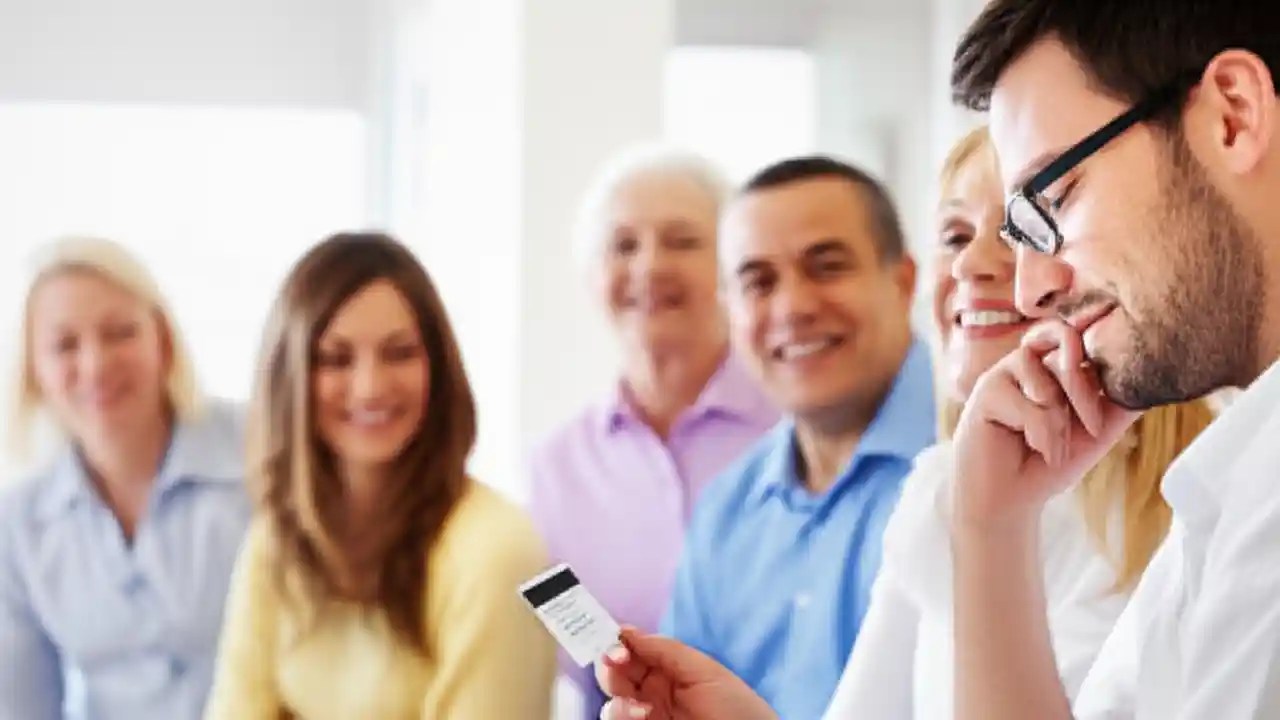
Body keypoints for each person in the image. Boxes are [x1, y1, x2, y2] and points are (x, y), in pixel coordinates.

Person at [587, 127, 1214, 720]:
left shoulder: (1203, 504)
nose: (973, 264)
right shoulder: (940, 489)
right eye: (955, 235)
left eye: (1024, 227)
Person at [945, 1, 1280, 718]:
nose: (1031, 290)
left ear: (1234, 116)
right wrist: (992, 528)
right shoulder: (1233, 482)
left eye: (1054, 201)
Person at [203, 233, 554, 719]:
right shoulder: (279, 536)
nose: (370, 388)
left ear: (438, 367)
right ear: (292, 376)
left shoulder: (497, 547)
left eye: (400, 353)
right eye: (336, 359)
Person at [659, 156, 936, 719]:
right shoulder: (726, 512)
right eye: (758, 282)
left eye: (827, 266)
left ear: (903, 280)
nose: (793, 307)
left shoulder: (993, 475)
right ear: (729, 310)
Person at [527, 147, 777, 718]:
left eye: (683, 241)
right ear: (593, 277)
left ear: (732, 263)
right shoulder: (554, 468)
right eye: (623, 245)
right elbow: (583, 671)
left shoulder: (796, 434)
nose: (649, 266)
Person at [0, 236, 249, 720]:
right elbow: (23, 705)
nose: (95, 365)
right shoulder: (17, 525)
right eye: (64, 345)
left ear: (164, 339)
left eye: (120, 333)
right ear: (33, 370)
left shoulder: (261, 452)